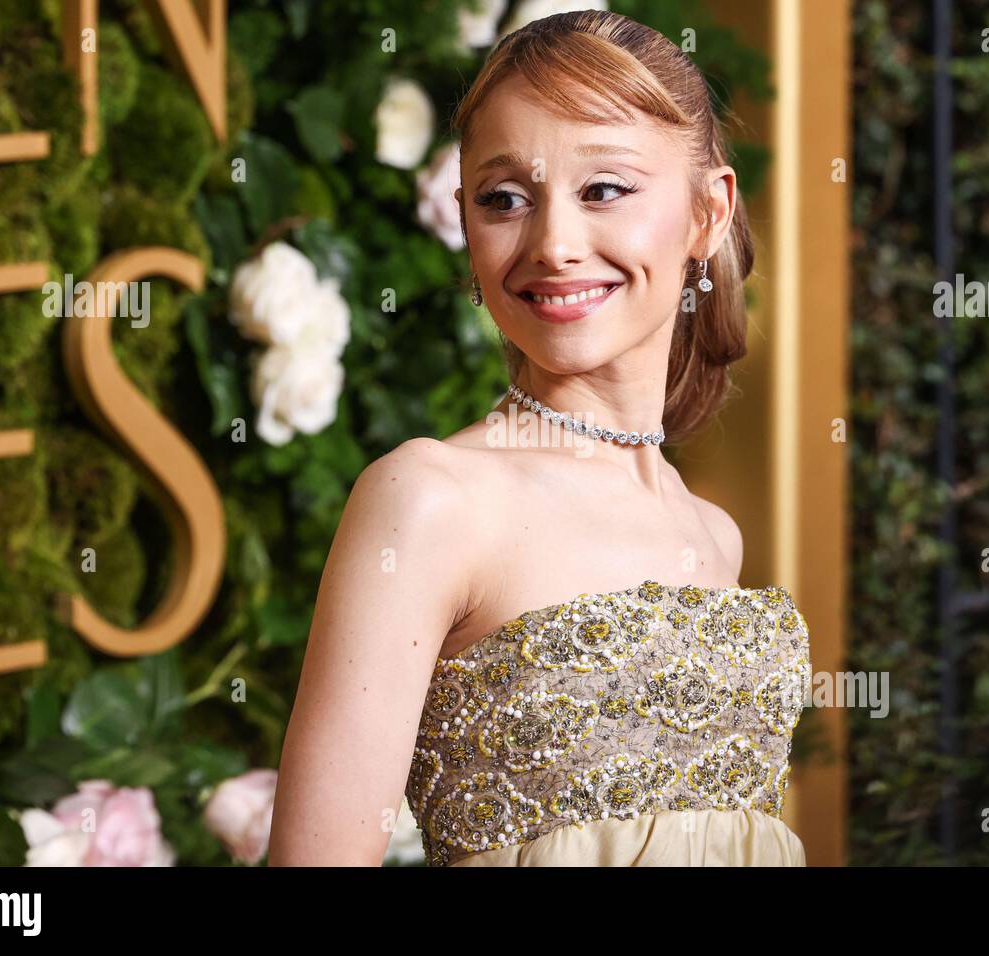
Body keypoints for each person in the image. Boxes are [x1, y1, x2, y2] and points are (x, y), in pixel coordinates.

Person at [268, 9, 810, 867]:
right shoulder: (430, 499)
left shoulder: (713, 537)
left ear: (710, 212)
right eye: (505, 199)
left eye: (605, 189)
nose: (554, 245)